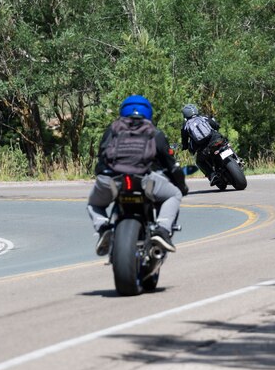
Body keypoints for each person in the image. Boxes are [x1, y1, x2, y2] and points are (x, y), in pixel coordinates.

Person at [87, 95, 187, 256]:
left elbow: (101, 158)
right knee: (174, 194)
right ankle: (162, 230)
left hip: (111, 180)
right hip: (143, 180)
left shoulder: (112, 129)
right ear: (148, 112)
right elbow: (171, 165)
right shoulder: (154, 132)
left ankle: (103, 228)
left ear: (123, 111)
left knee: (93, 204)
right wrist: (182, 187)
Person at [180, 103, 225, 183]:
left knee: (199, 161)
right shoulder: (203, 118)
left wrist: (184, 147)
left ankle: (212, 175)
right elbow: (216, 125)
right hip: (216, 140)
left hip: (205, 149)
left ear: (185, 114)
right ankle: (237, 159)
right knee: (225, 144)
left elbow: (184, 142)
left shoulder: (185, 126)